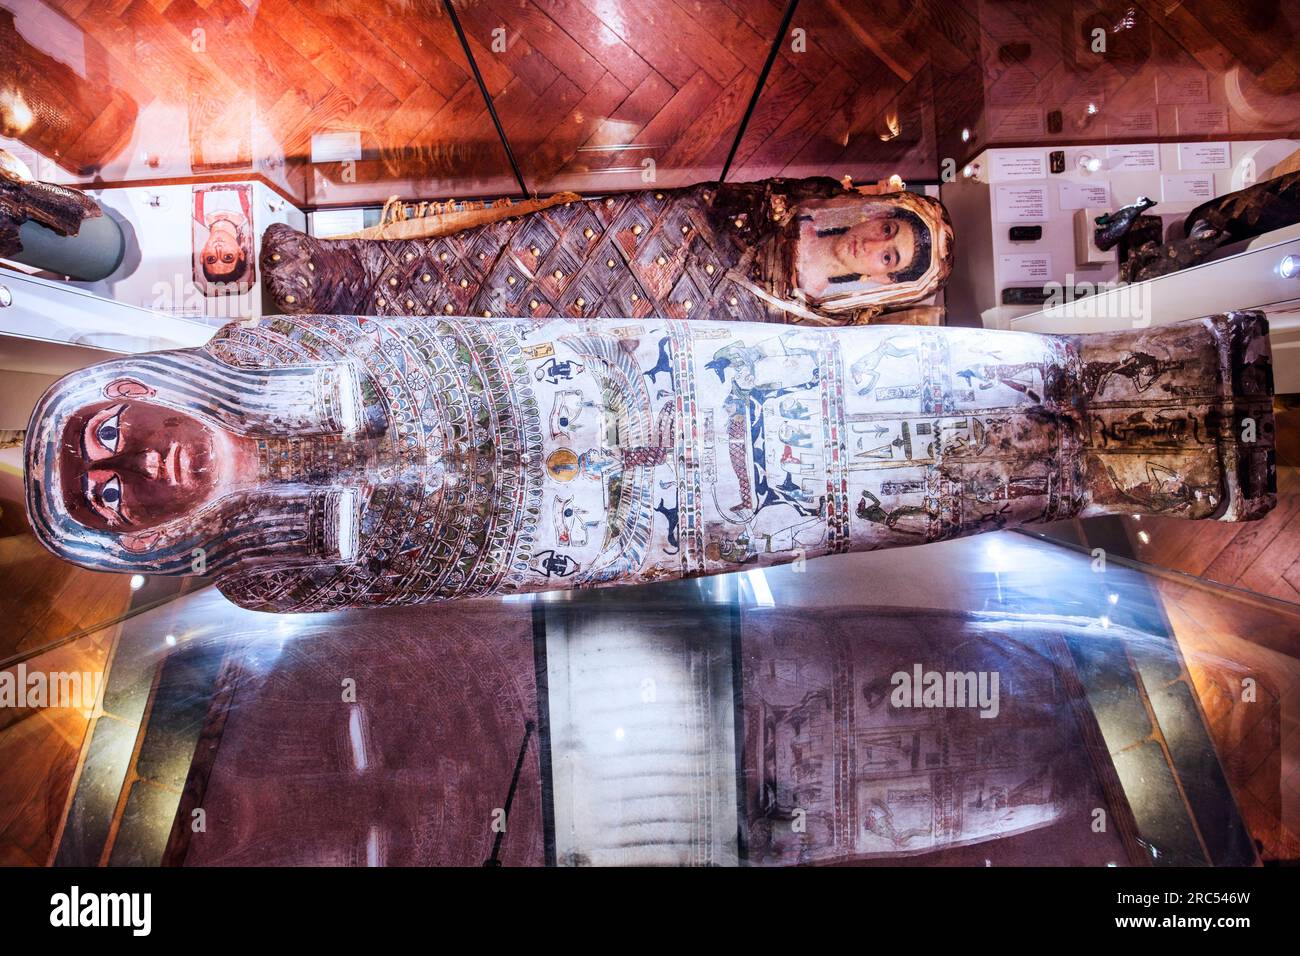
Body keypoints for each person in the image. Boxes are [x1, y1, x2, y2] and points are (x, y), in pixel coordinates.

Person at [25, 310, 1273, 612]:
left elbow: (425, 365)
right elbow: (428, 560)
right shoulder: (253, 571)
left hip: (622, 378)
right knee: (908, 486)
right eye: (108, 498)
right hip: (621, 518)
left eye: (101, 439)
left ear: (126, 391)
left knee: (921, 383)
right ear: (131, 537)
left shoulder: (258, 345)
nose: (134, 466)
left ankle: (1174, 373)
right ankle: (1164, 469)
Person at [259, 177, 953, 326]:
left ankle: (360, 316)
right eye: (888, 229)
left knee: (531, 325)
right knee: (520, 247)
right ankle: (353, 273)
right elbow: (728, 199)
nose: (874, 244)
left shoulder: (822, 320)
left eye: (889, 259)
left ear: (881, 281)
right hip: (673, 233)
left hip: (706, 316)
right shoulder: (804, 203)